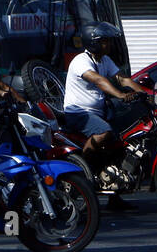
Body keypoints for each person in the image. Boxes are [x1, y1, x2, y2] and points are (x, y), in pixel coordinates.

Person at [61, 21, 147, 158]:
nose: (109, 45)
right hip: (78, 113)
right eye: (105, 41)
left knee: (126, 131)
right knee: (104, 132)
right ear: (93, 43)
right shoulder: (80, 61)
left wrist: (145, 94)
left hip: (99, 111)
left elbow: (123, 79)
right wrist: (120, 94)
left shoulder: (104, 60)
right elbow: (99, 80)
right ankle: (86, 165)